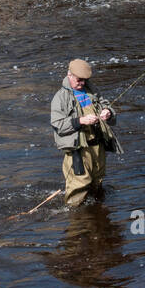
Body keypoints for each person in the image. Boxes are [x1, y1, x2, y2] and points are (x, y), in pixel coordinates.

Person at [50, 59, 117, 207]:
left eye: (85, 80)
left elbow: (106, 105)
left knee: (97, 181)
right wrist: (81, 121)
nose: (82, 83)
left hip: (97, 146)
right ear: (70, 75)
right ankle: (76, 220)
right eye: (79, 80)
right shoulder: (60, 98)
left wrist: (108, 113)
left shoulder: (91, 90)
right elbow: (58, 125)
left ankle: (95, 213)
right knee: (79, 185)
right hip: (78, 149)